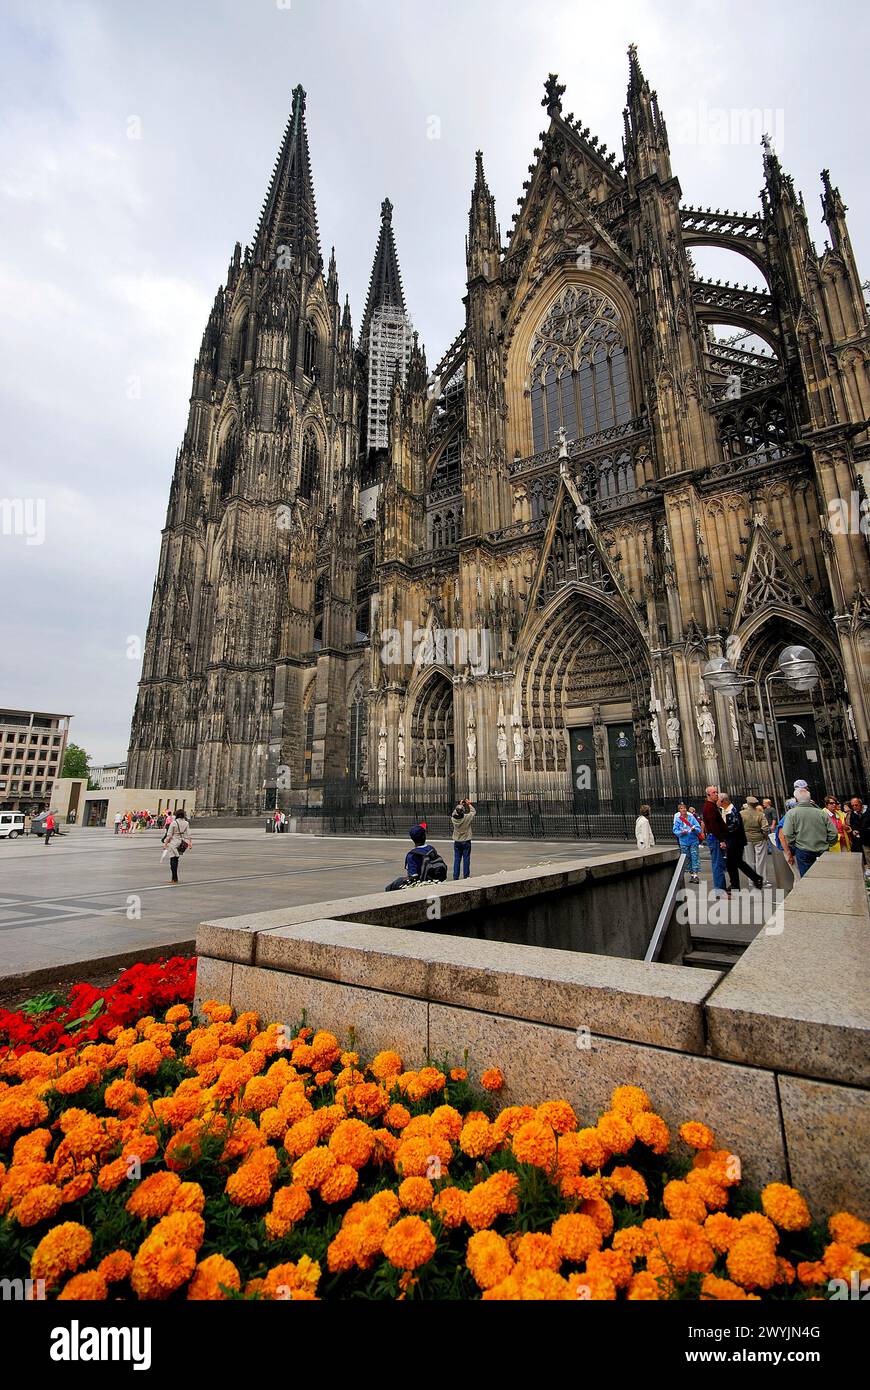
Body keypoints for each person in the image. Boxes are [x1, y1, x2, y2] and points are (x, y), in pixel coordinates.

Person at [781, 788, 837, 877]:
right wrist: (829, 843)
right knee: (825, 876)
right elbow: (833, 833)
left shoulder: (791, 813)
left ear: (796, 800)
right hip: (822, 849)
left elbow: (787, 833)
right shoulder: (821, 813)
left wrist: (794, 843)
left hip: (803, 850)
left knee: (807, 878)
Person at [719, 793, 764, 891]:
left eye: (719, 800)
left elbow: (733, 827)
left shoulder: (731, 811)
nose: (718, 802)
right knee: (734, 863)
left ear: (724, 801)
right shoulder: (725, 810)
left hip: (735, 841)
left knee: (735, 862)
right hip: (734, 840)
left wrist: (722, 831)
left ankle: (754, 879)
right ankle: (737, 884)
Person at [385, 823, 446, 891]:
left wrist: (405, 879)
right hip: (434, 878)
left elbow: (413, 877)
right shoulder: (431, 848)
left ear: (412, 838)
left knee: (390, 887)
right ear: (424, 836)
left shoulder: (412, 855)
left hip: (420, 881)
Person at [701, 785, 728, 897]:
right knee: (718, 864)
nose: (716, 794)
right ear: (708, 795)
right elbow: (713, 825)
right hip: (715, 838)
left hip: (715, 837)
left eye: (717, 792)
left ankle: (721, 888)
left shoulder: (711, 806)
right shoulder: (709, 807)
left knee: (720, 863)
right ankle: (719, 890)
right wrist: (721, 839)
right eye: (714, 793)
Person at [740, 795, 769, 886]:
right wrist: (765, 836)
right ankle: (762, 880)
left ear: (748, 803)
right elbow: (765, 828)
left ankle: (751, 880)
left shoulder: (741, 813)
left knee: (749, 860)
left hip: (746, 838)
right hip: (759, 838)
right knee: (761, 860)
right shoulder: (760, 814)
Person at [672, 802, 701, 882]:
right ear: (679, 811)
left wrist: (694, 829)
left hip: (693, 840)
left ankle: (695, 874)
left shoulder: (692, 818)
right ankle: (691, 874)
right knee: (687, 858)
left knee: (694, 856)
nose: (683, 809)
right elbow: (675, 830)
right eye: (681, 808)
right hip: (684, 841)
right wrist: (681, 832)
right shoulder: (678, 820)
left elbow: (698, 828)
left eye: (684, 808)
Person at [162, 810, 191, 884]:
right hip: (181, 842)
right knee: (176, 860)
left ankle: (174, 878)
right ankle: (175, 878)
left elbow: (169, 835)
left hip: (173, 843)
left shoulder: (174, 823)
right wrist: (190, 843)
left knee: (172, 860)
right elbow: (188, 834)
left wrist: (165, 844)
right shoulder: (186, 823)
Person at [451, 798, 476, 879]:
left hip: (457, 841)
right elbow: (473, 812)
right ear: (463, 811)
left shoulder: (453, 818)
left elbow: (455, 812)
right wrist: (469, 804)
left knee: (457, 859)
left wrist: (460, 805)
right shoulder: (467, 817)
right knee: (466, 858)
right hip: (466, 840)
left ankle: (455, 876)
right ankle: (466, 875)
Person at [847, 797, 870, 876]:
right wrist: (854, 830)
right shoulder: (854, 813)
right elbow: (852, 824)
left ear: (861, 804)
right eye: (852, 805)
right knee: (867, 856)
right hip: (864, 839)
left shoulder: (868, 810)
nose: (854, 807)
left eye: (856, 805)